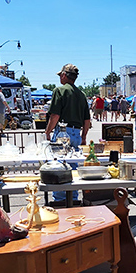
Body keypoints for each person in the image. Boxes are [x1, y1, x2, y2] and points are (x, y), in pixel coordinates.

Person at [44, 64, 91, 206]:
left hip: (62, 132)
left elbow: (55, 115)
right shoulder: (81, 94)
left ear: (64, 75)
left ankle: (60, 201)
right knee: (73, 166)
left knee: (58, 167)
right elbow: (87, 120)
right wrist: (83, 137)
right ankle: (74, 199)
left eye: (60, 76)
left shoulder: (59, 90)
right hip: (76, 132)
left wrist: (47, 132)